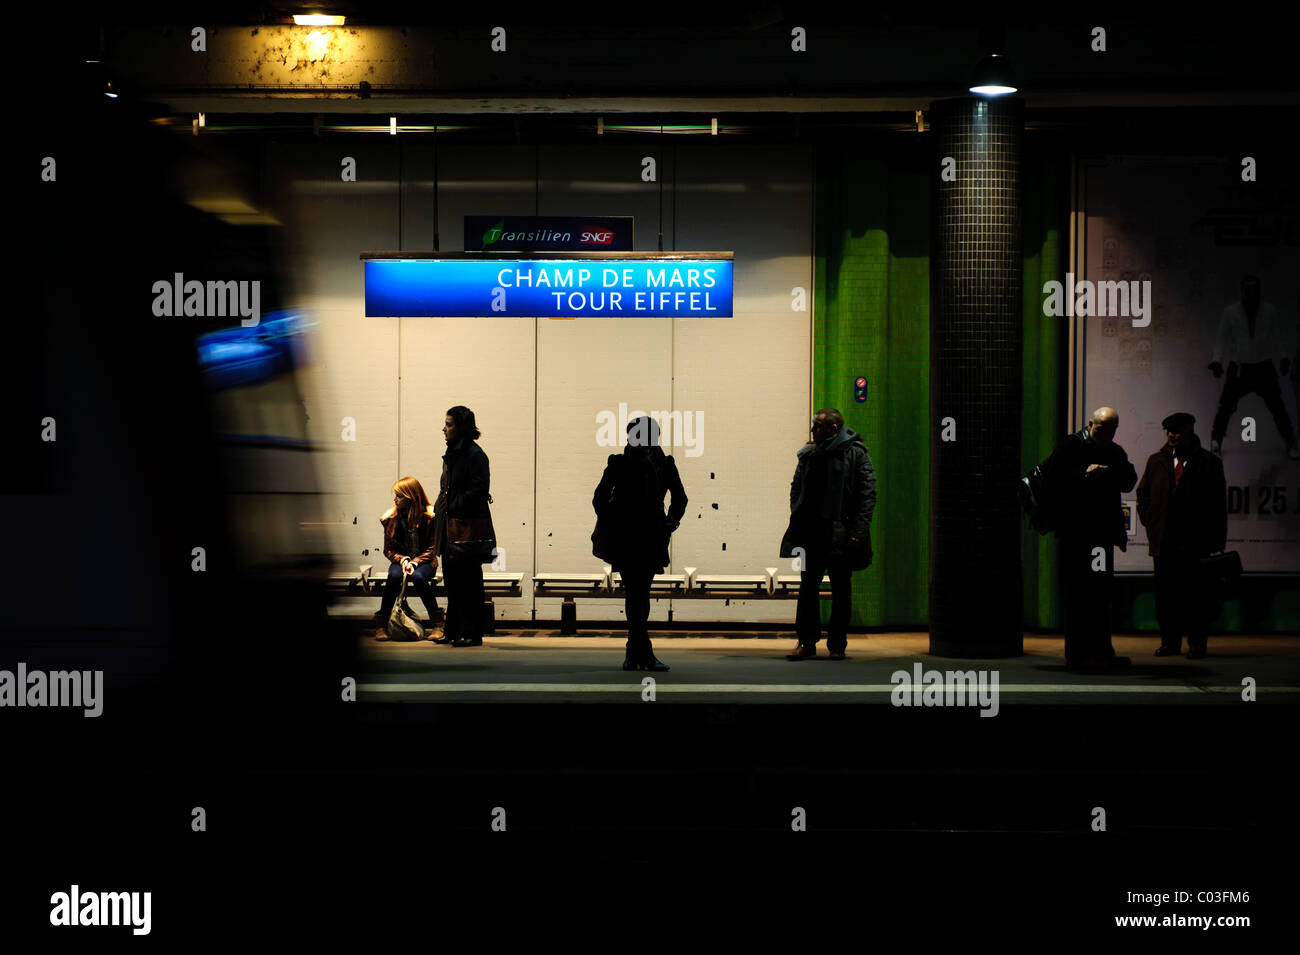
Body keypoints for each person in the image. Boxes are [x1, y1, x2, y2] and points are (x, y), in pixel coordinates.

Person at [1042, 406, 1137, 670]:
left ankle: (1100, 651)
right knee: (1078, 595)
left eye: (1110, 430)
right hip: (1077, 535)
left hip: (1099, 537)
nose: (1106, 434)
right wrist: (1084, 475)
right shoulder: (1071, 446)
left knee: (1099, 594)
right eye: (1101, 429)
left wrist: (1106, 472)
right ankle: (1078, 654)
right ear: (1090, 424)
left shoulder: (1113, 452)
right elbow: (1053, 483)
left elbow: (1129, 480)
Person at [592, 416, 688, 671]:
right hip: (635, 539)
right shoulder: (627, 464)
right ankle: (641, 652)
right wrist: (669, 522)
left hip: (642, 538)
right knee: (638, 594)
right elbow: (599, 499)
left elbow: (680, 498)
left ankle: (635, 652)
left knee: (636, 594)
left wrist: (670, 523)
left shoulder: (644, 464)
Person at [779, 408, 876, 661]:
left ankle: (837, 645)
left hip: (841, 533)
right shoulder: (810, 454)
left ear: (833, 429)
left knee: (841, 589)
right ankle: (806, 642)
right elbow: (796, 487)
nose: (813, 431)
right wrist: (798, 512)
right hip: (811, 532)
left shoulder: (856, 454)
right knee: (807, 588)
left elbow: (867, 496)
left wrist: (857, 532)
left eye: (818, 426)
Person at [1136, 412, 1228, 659]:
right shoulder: (1156, 461)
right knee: (1166, 596)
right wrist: (1151, 522)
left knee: (1197, 597)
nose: (1171, 435)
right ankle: (1170, 642)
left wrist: (1217, 540)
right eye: (1168, 431)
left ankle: (1197, 644)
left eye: (1176, 431)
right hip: (1164, 541)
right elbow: (1142, 494)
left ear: (1189, 431)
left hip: (1195, 542)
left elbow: (1218, 505)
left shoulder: (1208, 462)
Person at [1208, 275, 1299, 459]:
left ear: (1259, 291)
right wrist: (1217, 360)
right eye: (1248, 290)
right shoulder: (1230, 312)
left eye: (1255, 290)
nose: (1252, 293)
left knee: (1277, 407)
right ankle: (1216, 442)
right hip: (1239, 367)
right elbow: (1221, 339)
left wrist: (1283, 358)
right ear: (1242, 291)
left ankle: (1291, 442)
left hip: (1263, 366)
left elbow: (1277, 337)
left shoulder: (1269, 311)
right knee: (1226, 406)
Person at [434, 406, 494, 648]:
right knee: (453, 582)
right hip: (451, 528)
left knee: (469, 583)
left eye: (448, 424)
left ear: (460, 427)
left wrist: (451, 505)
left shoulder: (474, 454)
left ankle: (471, 633)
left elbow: (479, 490)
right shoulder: (454, 453)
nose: (444, 428)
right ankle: (453, 630)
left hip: (465, 529)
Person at [374, 476, 442, 641]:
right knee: (395, 576)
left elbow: (433, 548)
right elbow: (388, 549)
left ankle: (438, 624)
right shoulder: (391, 518)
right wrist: (404, 560)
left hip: (425, 561)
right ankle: (381, 625)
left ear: (411, 496)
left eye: (399, 495)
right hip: (401, 560)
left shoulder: (430, 516)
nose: (395, 499)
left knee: (418, 578)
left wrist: (415, 561)